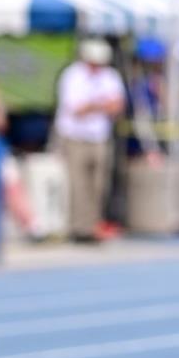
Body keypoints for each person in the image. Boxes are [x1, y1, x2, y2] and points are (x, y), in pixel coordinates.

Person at [53, 38, 126, 242]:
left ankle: (93, 225)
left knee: (98, 185)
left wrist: (94, 105)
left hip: (99, 137)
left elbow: (117, 106)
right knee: (78, 185)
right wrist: (102, 104)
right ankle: (78, 228)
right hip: (75, 137)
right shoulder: (73, 76)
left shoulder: (110, 76)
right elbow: (76, 109)